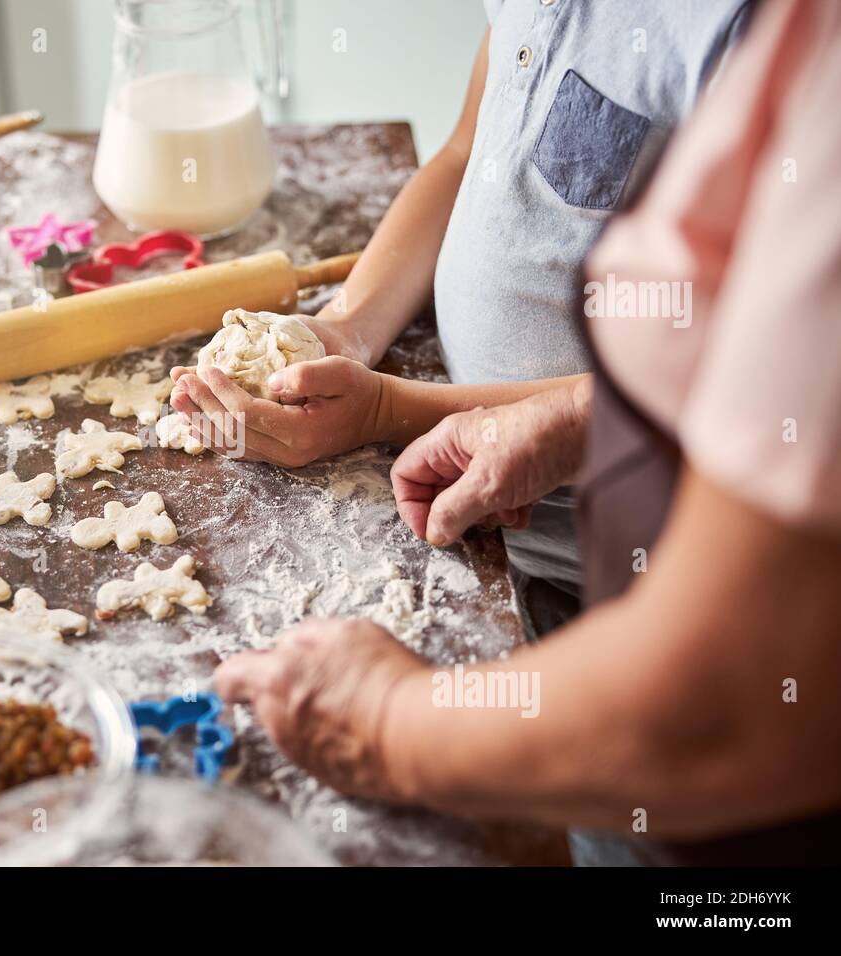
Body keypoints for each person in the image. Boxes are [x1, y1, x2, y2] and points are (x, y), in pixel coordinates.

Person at [214, 0, 841, 864]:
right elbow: (469, 151)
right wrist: (348, 328)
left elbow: (719, 710)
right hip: (519, 538)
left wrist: (386, 725)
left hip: (638, 620)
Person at [172, 0, 755, 639]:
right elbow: (459, 156)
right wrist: (346, 326)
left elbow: (751, 378)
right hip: (466, 513)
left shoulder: (750, 33)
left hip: (621, 580)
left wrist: (383, 411)